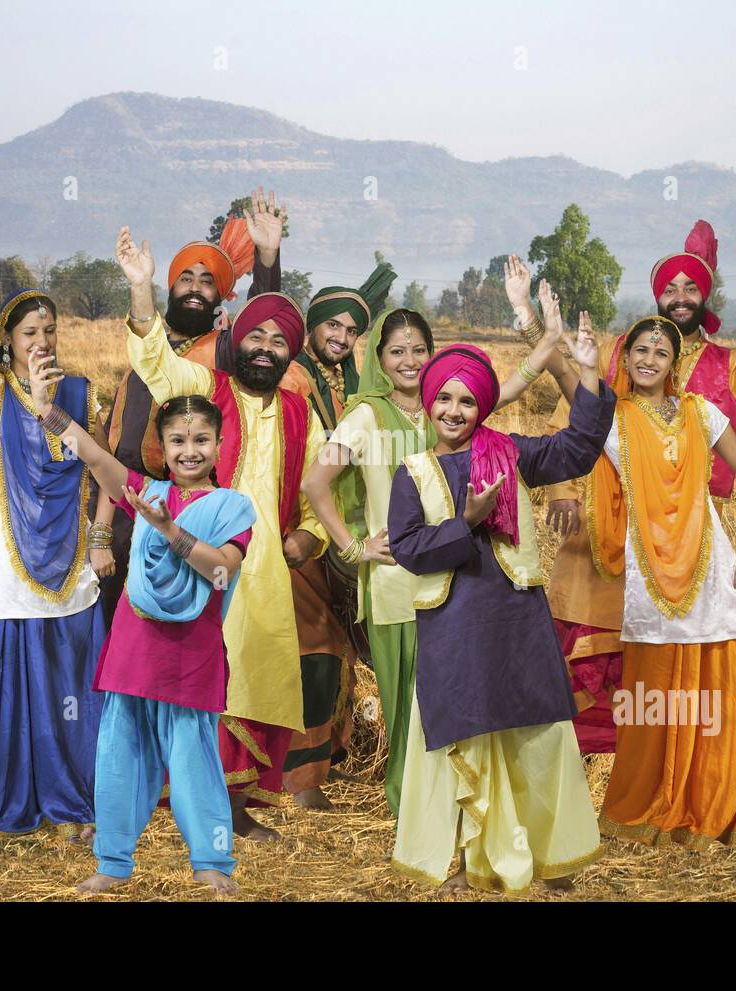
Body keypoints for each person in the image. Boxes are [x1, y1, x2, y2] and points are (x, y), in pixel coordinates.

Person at [525, 222, 736, 755]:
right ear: (657, 298)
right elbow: (570, 418)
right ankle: (591, 756)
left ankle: (674, 761)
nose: (679, 298)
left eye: (690, 289)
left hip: (691, 532)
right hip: (613, 521)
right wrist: (561, 489)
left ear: (705, 297)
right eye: (670, 289)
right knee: (593, 629)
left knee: (682, 643)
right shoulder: (623, 355)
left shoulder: (729, 368)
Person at [301, 303, 579, 818]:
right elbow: (315, 484)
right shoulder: (365, 416)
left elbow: (504, 388)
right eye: (396, 351)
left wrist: (544, 345)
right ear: (378, 359)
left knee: (444, 701)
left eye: (418, 350)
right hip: (392, 582)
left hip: (451, 582)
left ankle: (456, 812)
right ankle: (411, 815)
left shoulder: (441, 409)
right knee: (406, 708)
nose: (409, 361)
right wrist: (354, 547)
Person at [386, 331, 616, 893]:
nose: (454, 411)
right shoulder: (412, 473)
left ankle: (550, 855)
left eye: (467, 401)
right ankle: (468, 864)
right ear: (430, 401)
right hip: (453, 625)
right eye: (444, 399)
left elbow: (577, 450)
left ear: (483, 406)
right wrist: (466, 522)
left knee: (537, 733)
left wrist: (586, 374)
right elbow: (409, 549)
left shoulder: (509, 452)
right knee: (465, 734)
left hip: (516, 617)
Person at [27, 376, 255, 896]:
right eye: (177, 440)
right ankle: (112, 861)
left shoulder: (231, 508)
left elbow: (220, 572)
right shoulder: (148, 492)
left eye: (200, 440)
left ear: (219, 446)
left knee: (195, 757)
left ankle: (211, 862)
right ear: (163, 447)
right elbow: (96, 459)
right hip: (134, 647)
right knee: (119, 753)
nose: (189, 451)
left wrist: (170, 530)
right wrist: (47, 411)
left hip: (191, 653)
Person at [123, 265, 329, 842]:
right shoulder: (205, 390)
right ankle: (192, 798)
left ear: (291, 353)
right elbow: (154, 363)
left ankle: (231, 803)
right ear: (237, 339)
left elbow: (319, 485)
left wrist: (309, 535)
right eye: (257, 336)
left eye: (280, 341)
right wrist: (141, 286)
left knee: (255, 678)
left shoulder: (298, 412)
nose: (266, 349)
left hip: (266, 575)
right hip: (200, 561)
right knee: (206, 673)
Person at [589, 315, 736, 848]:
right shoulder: (612, 418)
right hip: (650, 577)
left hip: (715, 569)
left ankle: (733, 805)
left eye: (660, 352)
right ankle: (661, 807)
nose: (649, 358)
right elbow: (567, 380)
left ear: (673, 363)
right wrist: (530, 322)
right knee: (654, 703)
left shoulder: (701, 413)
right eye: (639, 350)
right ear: (626, 358)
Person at [0, 208, 104, 841]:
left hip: (70, 567)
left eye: (51, 330)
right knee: (8, 688)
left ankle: (72, 801)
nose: (43, 341)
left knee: (69, 686)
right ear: (7, 340)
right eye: (31, 331)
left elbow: (100, 473)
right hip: (11, 567)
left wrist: (99, 539)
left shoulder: (78, 393)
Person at [90, 188, 304, 629]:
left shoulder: (222, 354)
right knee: (118, 633)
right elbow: (113, 454)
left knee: (175, 629)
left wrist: (267, 258)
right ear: (169, 286)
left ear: (221, 296)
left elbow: (259, 329)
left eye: (208, 281)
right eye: (186, 277)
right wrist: (101, 533)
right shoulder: (141, 361)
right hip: (130, 508)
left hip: (185, 512)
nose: (195, 287)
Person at [282, 262, 397, 809]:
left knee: (338, 649)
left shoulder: (348, 379)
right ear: (313, 325)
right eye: (334, 325)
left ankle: (330, 760)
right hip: (298, 529)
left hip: (339, 533)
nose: (342, 337)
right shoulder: (292, 378)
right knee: (316, 647)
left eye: (352, 331)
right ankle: (301, 782)